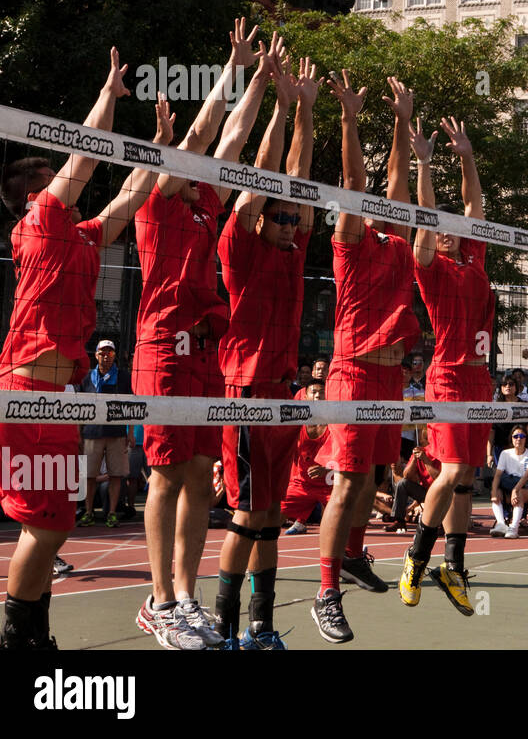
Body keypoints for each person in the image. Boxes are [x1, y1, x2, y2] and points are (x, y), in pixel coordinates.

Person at [0, 57, 172, 651]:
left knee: (53, 524)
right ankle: (14, 638)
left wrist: (160, 151)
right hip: (24, 396)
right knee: (48, 525)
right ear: (37, 190)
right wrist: (106, 95)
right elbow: (88, 153)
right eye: (52, 164)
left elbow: (122, 203)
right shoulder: (38, 221)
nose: (64, 170)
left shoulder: (76, 233)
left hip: (56, 401)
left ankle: (33, 634)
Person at [134, 21, 277, 650]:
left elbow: (236, 136)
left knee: (198, 475)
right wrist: (231, 67)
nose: (208, 163)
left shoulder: (205, 202)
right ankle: (159, 600)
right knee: (166, 476)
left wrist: (263, 78)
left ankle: (186, 596)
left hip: (203, 352)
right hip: (162, 345)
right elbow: (201, 133)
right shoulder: (160, 197)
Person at [311, 72, 422, 644]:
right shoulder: (350, 242)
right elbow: (357, 179)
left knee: (368, 479)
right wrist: (351, 119)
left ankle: (353, 555)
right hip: (353, 371)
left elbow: (397, 179)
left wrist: (403, 120)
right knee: (347, 482)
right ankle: (326, 591)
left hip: (389, 378)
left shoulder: (397, 241)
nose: (383, 201)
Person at [212, 53, 317, 650]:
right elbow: (262, 181)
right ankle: (225, 627)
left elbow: (295, 179)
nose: (287, 220)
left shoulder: (293, 251)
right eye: (277, 216)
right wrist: (276, 109)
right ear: (258, 219)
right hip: (247, 397)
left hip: (284, 395)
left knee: (272, 519)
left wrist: (302, 107)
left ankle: (261, 625)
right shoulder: (242, 247)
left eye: (291, 216)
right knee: (247, 517)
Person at [399, 115, 495, 617]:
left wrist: (467, 155)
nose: (450, 232)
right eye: (442, 231)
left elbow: (473, 203)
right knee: (453, 467)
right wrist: (424, 163)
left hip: (480, 380)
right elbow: (428, 212)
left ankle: (452, 564)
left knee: (466, 478)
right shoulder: (431, 267)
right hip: (449, 378)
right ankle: (415, 558)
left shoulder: (473, 258)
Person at [78, 340, 133, 528]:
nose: (106, 356)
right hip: (92, 433)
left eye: (109, 353)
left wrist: (131, 432)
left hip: (117, 433)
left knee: (116, 475)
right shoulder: (87, 378)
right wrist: (79, 433)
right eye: (102, 352)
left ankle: (111, 513)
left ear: (114, 355)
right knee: (89, 476)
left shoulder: (124, 377)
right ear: (96, 355)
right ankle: (88, 512)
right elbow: (79, 408)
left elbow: (132, 406)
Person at [490, 425, 528, 539]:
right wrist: (493, 492)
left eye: (522, 436)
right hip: (509, 487)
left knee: (520, 494)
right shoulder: (505, 453)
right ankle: (501, 524)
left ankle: (514, 527)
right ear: (511, 439)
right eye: (516, 436)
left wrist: (515, 490)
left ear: (526, 439)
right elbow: (498, 475)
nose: (519, 439)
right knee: (497, 492)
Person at [282, 422, 330, 536]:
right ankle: (300, 521)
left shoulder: (335, 426)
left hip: (330, 486)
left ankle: (351, 551)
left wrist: (327, 469)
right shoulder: (298, 425)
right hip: (302, 485)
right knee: (269, 516)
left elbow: (346, 459)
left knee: (335, 524)